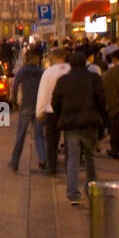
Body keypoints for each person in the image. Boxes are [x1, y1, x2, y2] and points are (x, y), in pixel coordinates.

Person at [51, 49, 107, 206]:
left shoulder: (63, 80)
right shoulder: (94, 78)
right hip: (90, 123)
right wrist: (102, 117)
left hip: (70, 124)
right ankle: (91, 189)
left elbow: (55, 102)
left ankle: (73, 193)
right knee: (90, 157)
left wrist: (61, 115)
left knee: (73, 159)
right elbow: (101, 100)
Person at [8, 47, 46, 173]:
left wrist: (13, 101)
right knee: (39, 134)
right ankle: (42, 159)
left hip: (26, 105)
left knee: (21, 135)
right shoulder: (41, 71)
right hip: (39, 105)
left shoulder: (22, 71)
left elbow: (14, 87)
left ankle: (15, 162)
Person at [35, 47, 70, 175]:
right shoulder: (70, 70)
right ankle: (69, 167)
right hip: (68, 110)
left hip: (51, 110)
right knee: (69, 140)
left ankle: (52, 166)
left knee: (52, 140)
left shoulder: (48, 73)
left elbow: (43, 93)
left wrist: (39, 111)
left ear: (53, 57)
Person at [101, 48, 119, 160]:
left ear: (114, 59)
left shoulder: (109, 73)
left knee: (115, 130)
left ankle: (115, 150)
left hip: (114, 104)